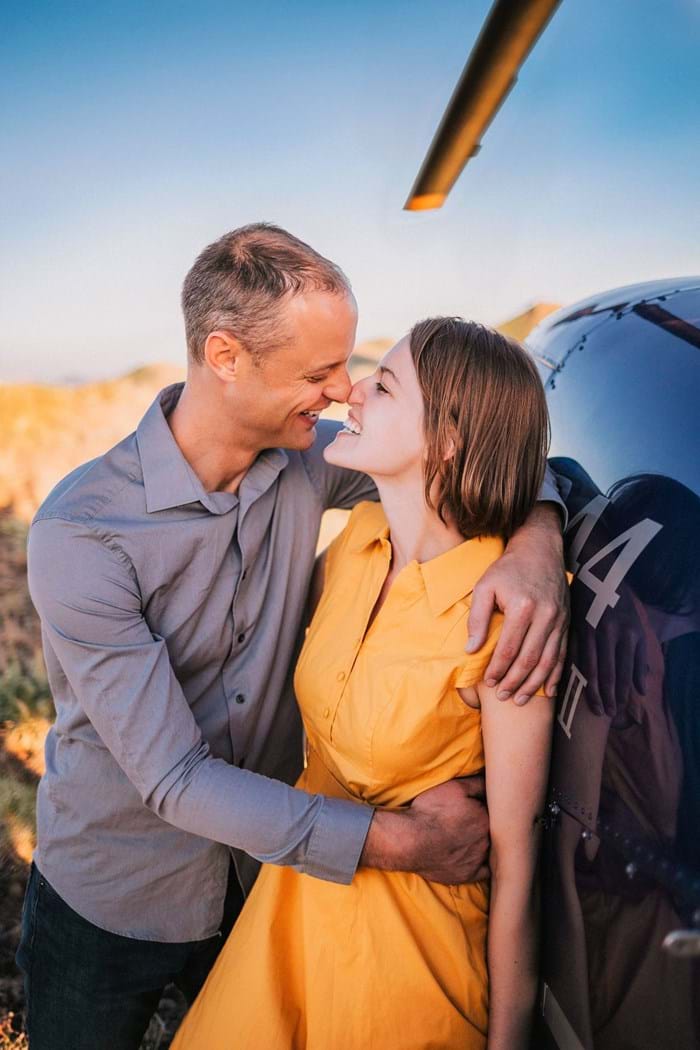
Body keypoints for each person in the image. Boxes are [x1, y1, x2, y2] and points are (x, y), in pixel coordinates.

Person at [17, 225, 568, 1050]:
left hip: (268, 885)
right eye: (319, 373)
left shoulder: (308, 454)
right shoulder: (83, 534)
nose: (342, 391)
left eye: (354, 368)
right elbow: (174, 777)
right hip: (114, 892)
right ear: (226, 356)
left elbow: (486, 455)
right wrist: (404, 842)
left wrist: (537, 545)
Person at [172, 317, 557, 1050]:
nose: (351, 391)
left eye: (382, 385)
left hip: (408, 968)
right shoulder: (356, 542)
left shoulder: (503, 615)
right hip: (290, 917)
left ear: (446, 440)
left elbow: (516, 871)